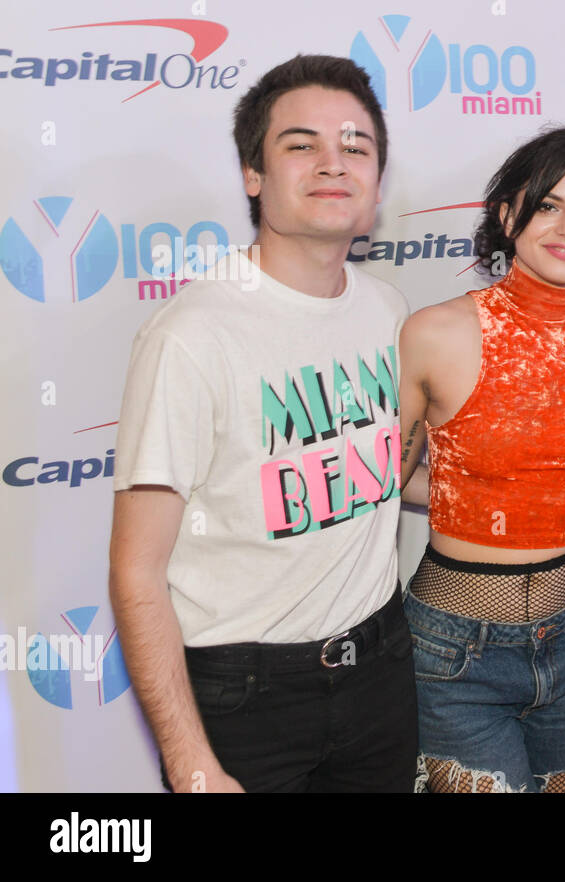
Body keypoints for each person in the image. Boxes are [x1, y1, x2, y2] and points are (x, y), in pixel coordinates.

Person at [109, 55, 415, 792]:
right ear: (254, 174)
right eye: (300, 144)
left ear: (377, 180)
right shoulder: (190, 336)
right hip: (245, 696)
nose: (332, 164)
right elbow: (136, 570)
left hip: (380, 667)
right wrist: (190, 765)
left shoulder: (388, 312)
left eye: (356, 147)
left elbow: (394, 472)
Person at [396, 127, 565, 793]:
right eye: (548, 205)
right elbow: (387, 478)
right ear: (508, 216)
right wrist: (484, 497)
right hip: (455, 651)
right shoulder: (434, 333)